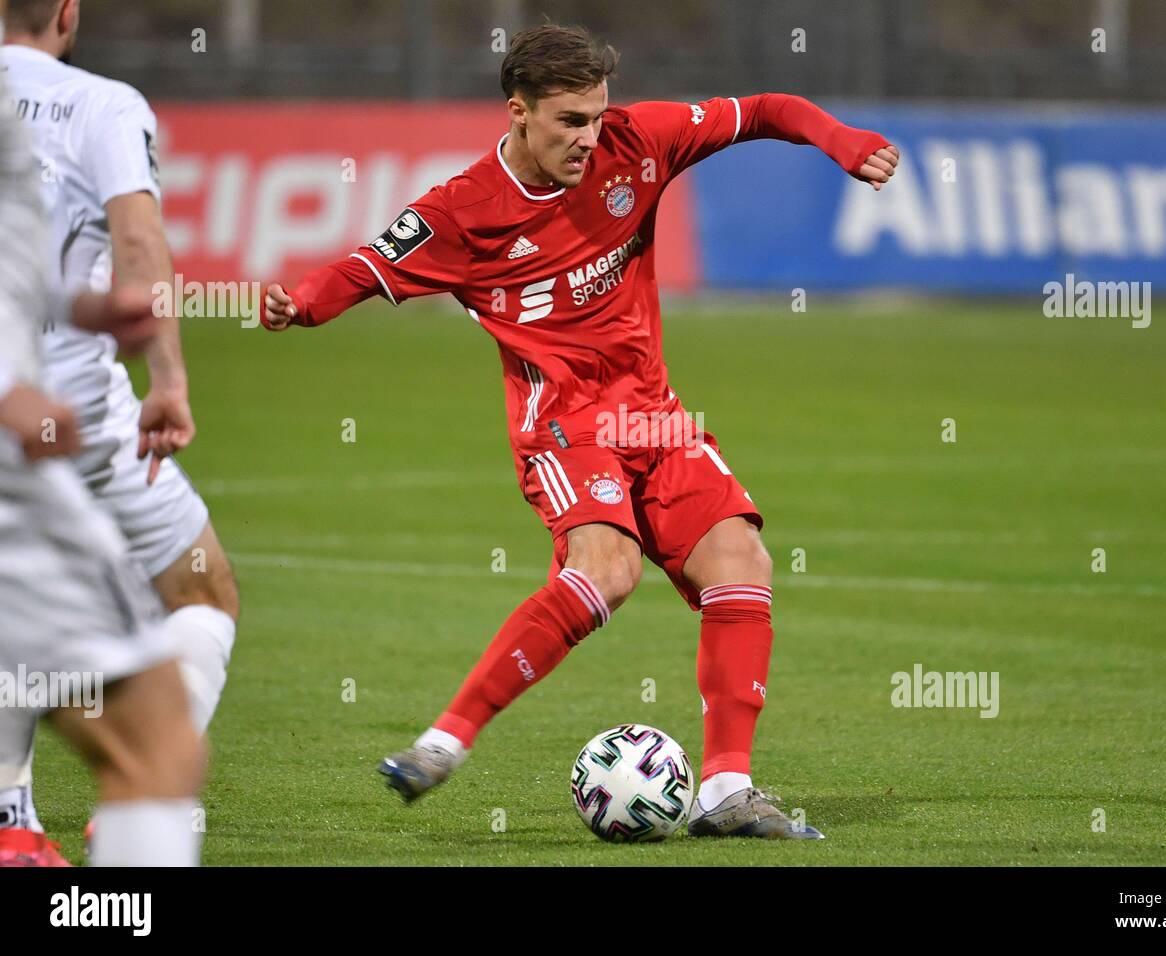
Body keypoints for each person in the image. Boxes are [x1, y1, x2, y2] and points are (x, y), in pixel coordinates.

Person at [262, 23, 898, 839]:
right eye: (569, 120)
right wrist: (302, 303)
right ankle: (444, 742)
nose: (588, 137)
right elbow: (366, 266)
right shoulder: (463, 211)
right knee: (610, 568)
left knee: (741, 559)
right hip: (563, 425)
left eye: (596, 116)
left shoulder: (638, 141)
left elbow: (766, 108)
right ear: (517, 112)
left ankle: (725, 793)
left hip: (653, 414)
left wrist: (840, 143)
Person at [0, 0, 239, 863]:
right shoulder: (100, 104)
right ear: (69, 11)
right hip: (65, 420)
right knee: (202, 598)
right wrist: (167, 380)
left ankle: (14, 820)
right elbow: (139, 237)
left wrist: (81, 305)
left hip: (45, 416)